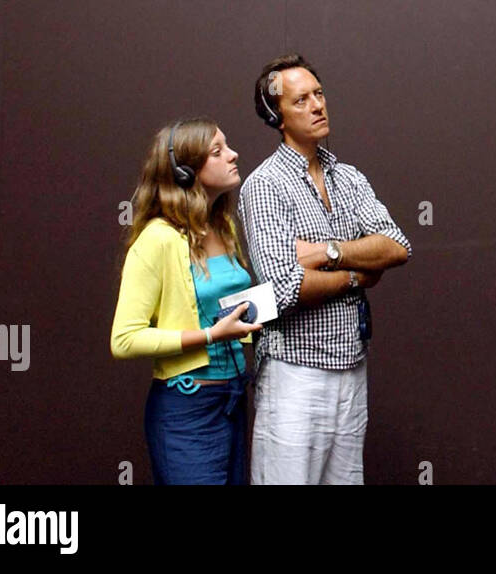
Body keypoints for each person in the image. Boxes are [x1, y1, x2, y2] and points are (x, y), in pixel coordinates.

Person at [238, 53, 411, 484]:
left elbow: (395, 246)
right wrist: (356, 274)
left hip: (352, 369)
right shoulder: (264, 185)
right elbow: (282, 289)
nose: (317, 105)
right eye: (301, 100)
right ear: (277, 116)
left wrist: (326, 252)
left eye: (319, 94)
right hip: (294, 373)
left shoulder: (348, 177)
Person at [110, 118, 262, 485]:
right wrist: (210, 336)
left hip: (232, 402)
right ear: (184, 171)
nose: (233, 154)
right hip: (186, 411)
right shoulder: (157, 239)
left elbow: (228, 311)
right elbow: (124, 340)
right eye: (218, 151)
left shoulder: (223, 228)